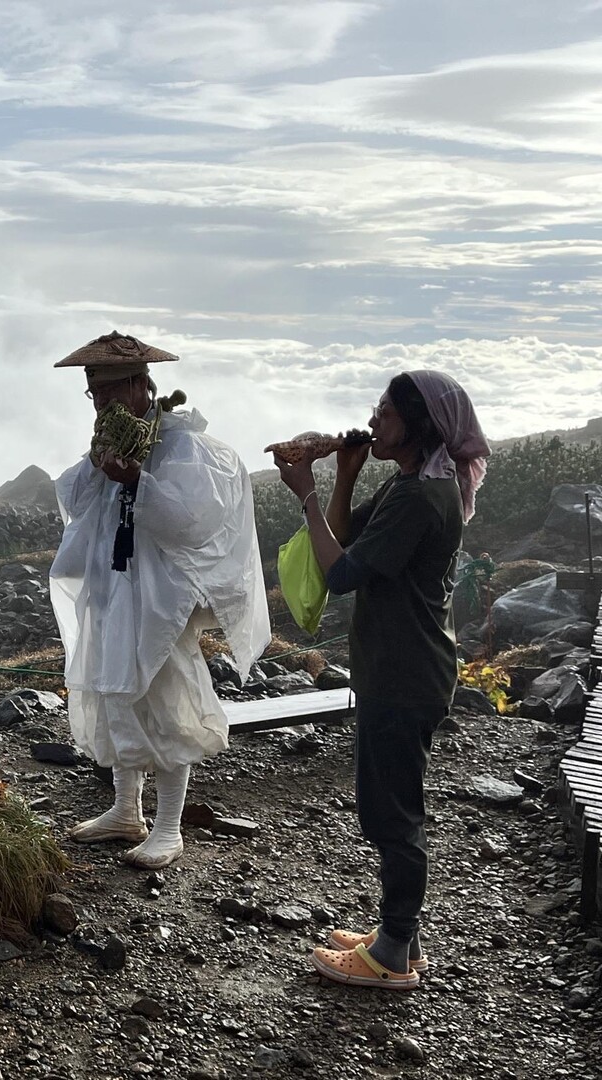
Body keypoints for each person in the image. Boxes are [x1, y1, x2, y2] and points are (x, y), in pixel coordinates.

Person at [273, 370, 488, 991]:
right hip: (401, 668)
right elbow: (341, 539)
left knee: (392, 815)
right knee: (391, 805)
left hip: (404, 673)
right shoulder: (410, 484)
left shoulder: (420, 498)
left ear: (420, 426)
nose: (373, 421)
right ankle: (401, 938)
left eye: (386, 413)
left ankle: (392, 953)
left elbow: (341, 575)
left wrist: (306, 496)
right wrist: (343, 477)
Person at [50, 332, 269, 869]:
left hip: (160, 596)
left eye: (110, 390)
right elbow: (77, 501)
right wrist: (101, 465)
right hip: (114, 588)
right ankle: (126, 809)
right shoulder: (113, 441)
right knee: (115, 690)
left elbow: (189, 520)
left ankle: (168, 826)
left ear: (140, 384)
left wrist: (136, 482)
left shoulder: (184, 446)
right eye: (94, 393)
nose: (101, 402)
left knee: (165, 695)